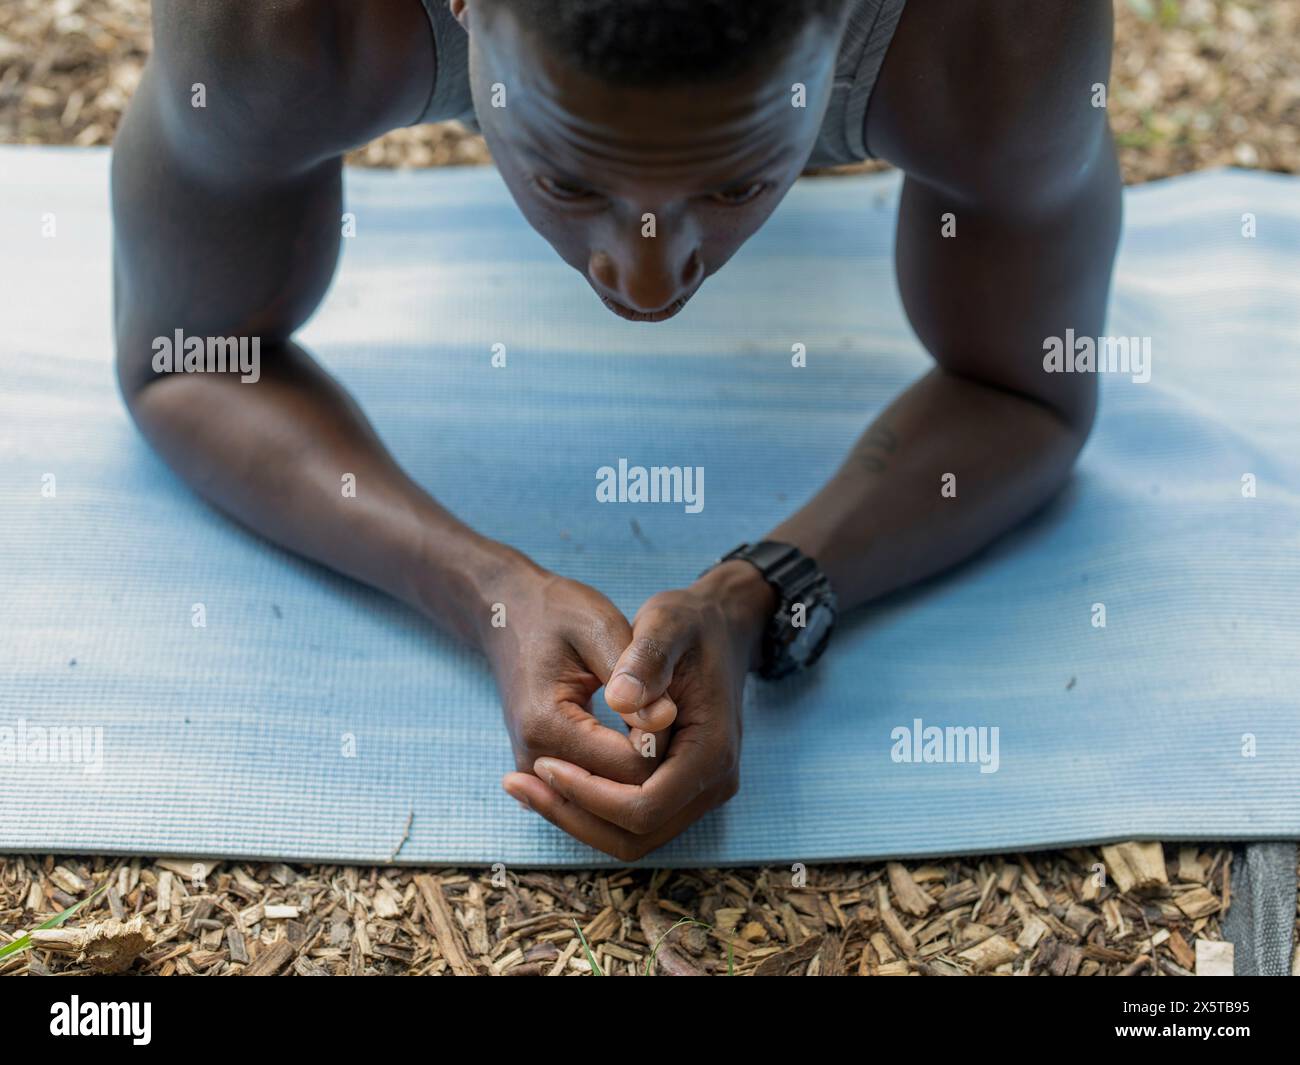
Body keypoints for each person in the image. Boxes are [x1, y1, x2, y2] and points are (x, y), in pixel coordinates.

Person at [111, 0, 1121, 860]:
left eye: (736, 184)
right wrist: (486, 593)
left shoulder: (995, 36)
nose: (643, 282)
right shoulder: (286, 28)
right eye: (569, 183)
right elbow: (187, 362)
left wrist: (758, 597)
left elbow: (1028, 392)